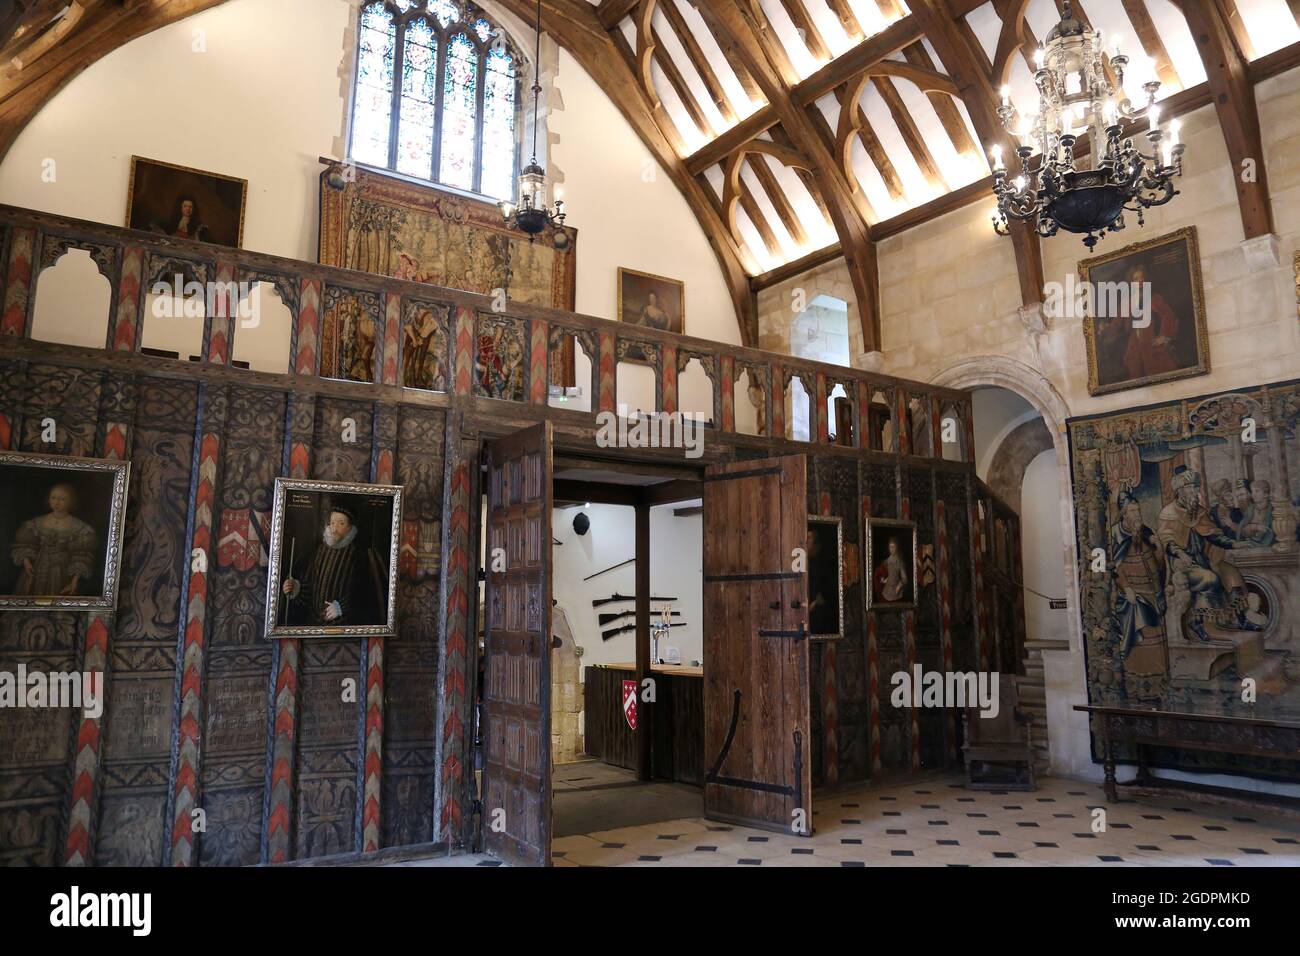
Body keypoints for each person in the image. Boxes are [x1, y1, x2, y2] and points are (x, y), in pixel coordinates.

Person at [1156, 466, 1257, 632]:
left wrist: (1234, 544)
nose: (1194, 491)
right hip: (1181, 564)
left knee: (1231, 575)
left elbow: (1213, 535)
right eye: (1190, 488)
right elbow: (1166, 542)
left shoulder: (1200, 512)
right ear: (1180, 490)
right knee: (1210, 579)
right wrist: (1181, 555)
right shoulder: (1168, 513)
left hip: (1205, 559)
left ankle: (1241, 619)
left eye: (1196, 487)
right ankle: (1196, 621)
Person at [281, 503, 387, 627]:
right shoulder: (320, 550)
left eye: (341, 523)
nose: (334, 528)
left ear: (350, 528)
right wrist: (295, 588)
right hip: (314, 624)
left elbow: (365, 592)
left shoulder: (359, 555)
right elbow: (309, 585)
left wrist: (341, 607)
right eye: (332, 523)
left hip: (345, 625)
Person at [1108, 490, 1166, 663]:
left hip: (1153, 590)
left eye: (1138, 510)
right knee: (1140, 625)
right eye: (1133, 511)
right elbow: (1114, 567)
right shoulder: (1116, 534)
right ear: (1124, 514)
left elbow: (1158, 562)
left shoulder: (1145, 532)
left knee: (1157, 637)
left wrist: (1159, 550)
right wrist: (1126, 588)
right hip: (1133, 593)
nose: (1137, 515)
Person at [10, 482, 97, 596]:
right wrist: (26, 561)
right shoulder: (36, 523)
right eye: (53, 498)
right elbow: (25, 544)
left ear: (71, 501)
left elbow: (81, 556)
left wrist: (74, 581)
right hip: (38, 568)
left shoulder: (79, 528)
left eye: (62, 499)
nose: (56, 502)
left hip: (61, 570)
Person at [1118, 262, 1182, 381]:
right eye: (1136, 278)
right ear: (1131, 282)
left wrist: (1164, 336)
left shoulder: (1153, 298)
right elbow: (1118, 322)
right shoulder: (1127, 302)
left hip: (1150, 341)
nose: (1140, 281)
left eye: (1142, 277)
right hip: (1134, 345)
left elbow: (1168, 315)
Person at [873, 535, 908, 603]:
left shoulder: (899, 561)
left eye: (893, 547)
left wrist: (899, 586)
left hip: (896, 590)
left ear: (897, 547)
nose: (891, 549)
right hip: (887, 590)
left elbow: (905, 579)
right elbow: (888, 575)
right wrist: (884, 580)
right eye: (890, 547)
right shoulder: (887, 561)